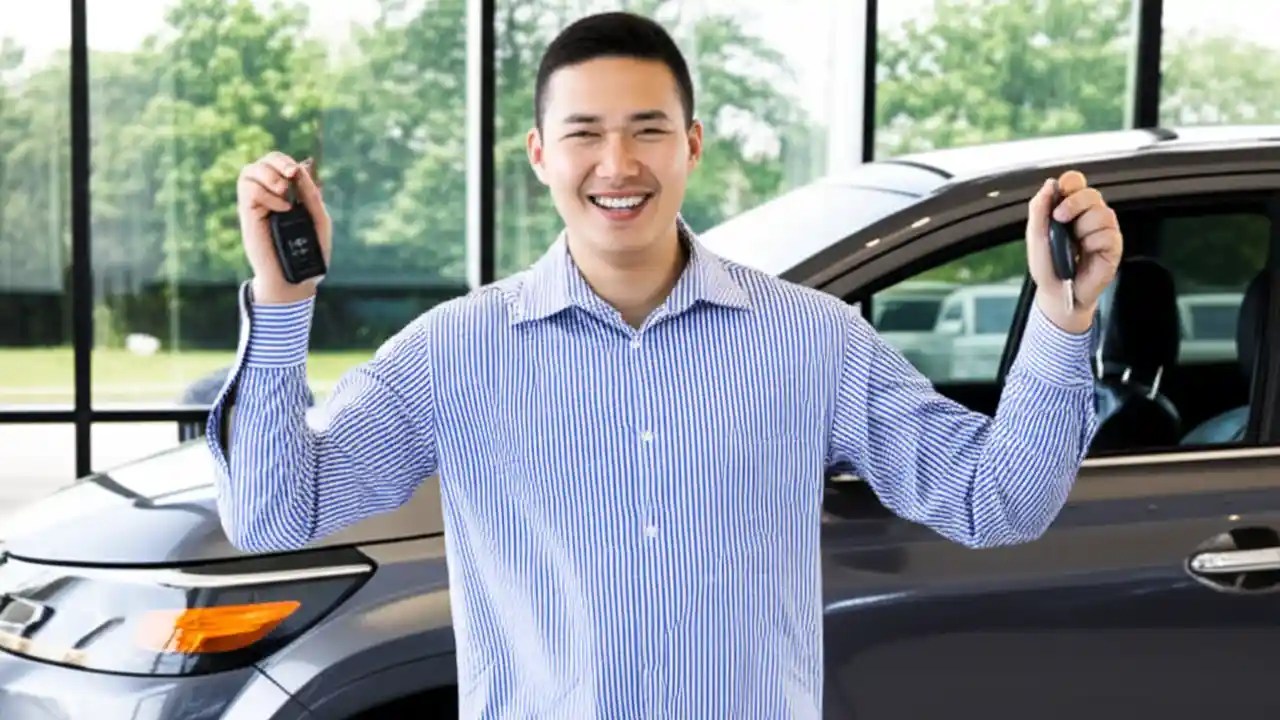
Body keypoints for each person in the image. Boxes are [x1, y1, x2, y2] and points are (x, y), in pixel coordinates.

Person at [207, 10, 1121, 719]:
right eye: (584, 133)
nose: (617, 163)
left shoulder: (810, 340)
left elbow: (994, 502)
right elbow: (274, 511)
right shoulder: (456, 352)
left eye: (648, 130)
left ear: (690, 145)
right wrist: (283, 303)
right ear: (538, 154)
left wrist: (1060, 316)